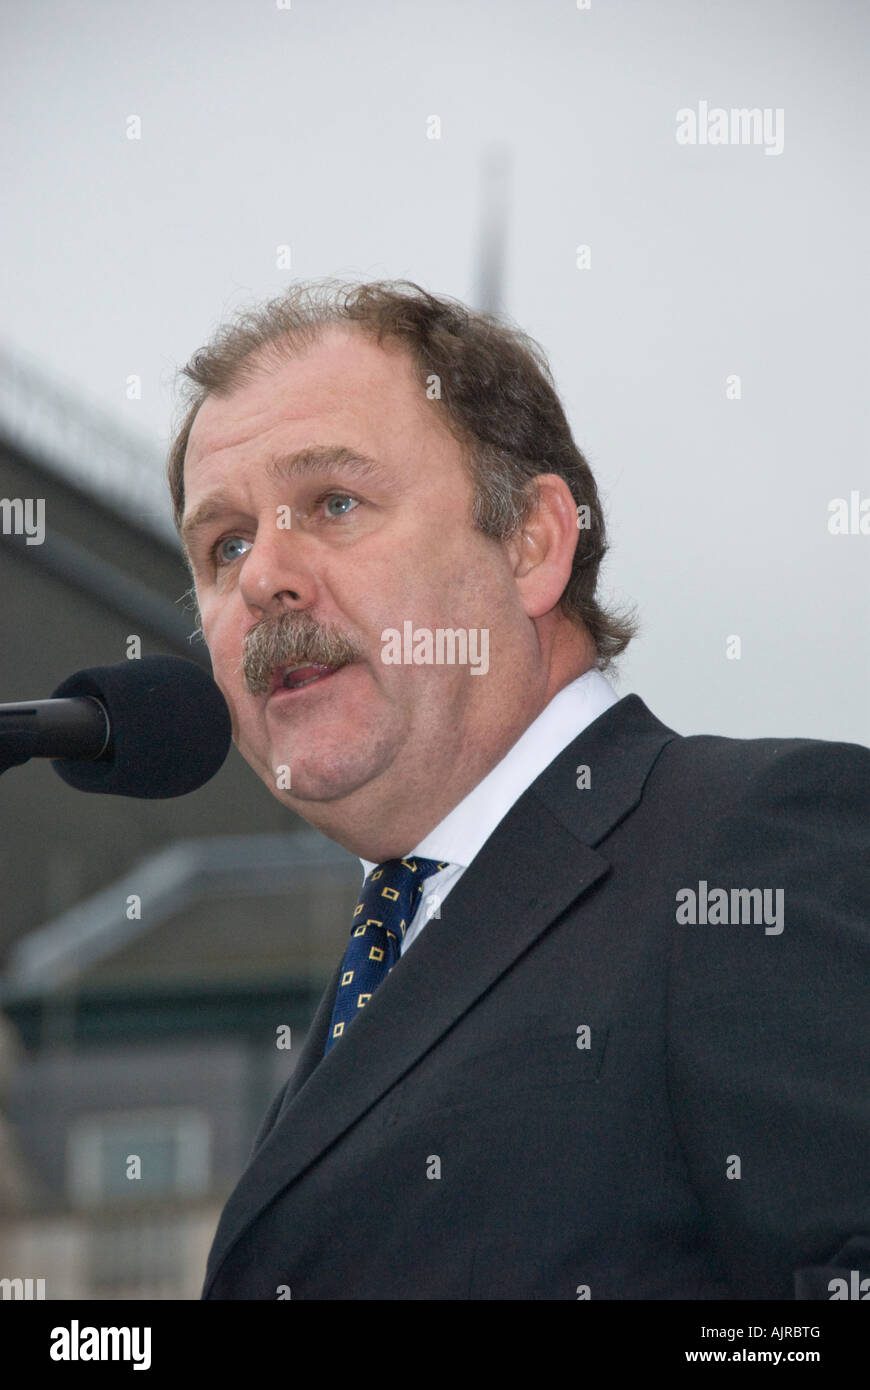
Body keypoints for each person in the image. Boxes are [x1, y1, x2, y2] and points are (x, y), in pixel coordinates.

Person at [168, 280, 869, 1300]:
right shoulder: (389, 956)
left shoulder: (748, 847)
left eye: (333, 503)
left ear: (534, 541)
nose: (265, 573)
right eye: (224, 544)